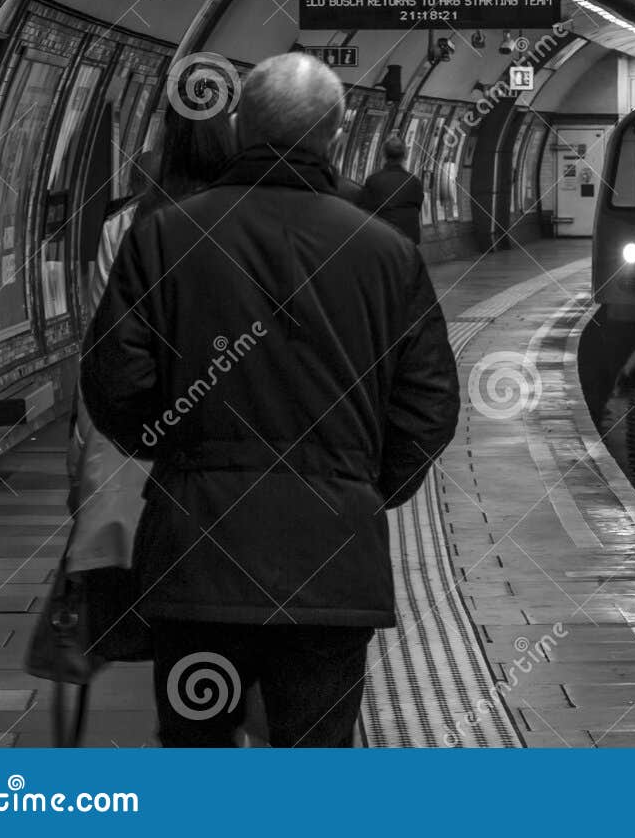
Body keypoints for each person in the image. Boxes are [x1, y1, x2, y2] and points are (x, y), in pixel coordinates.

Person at [80, 53, 460, 748]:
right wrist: (365, 485)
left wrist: (177, 458)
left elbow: (114, 383)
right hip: (333, 568)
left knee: (199, 758)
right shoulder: (386, 253)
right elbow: (430, 403)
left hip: (197, 557)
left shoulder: (164, 236)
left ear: (240, 124)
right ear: (338, 137)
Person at [64, 113, 235, 609]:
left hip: (129, 450)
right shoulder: (247, 221)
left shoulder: (126, 226)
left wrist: (80, 450)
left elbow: (97, 348)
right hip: (225, 450)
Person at [358, 132, 425, 243]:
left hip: (382, 239)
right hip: (408, 240)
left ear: (384, 155)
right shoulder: (414, 182)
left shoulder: (373, 180)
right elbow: (418, 207)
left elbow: (365, 210)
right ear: (405, 155)